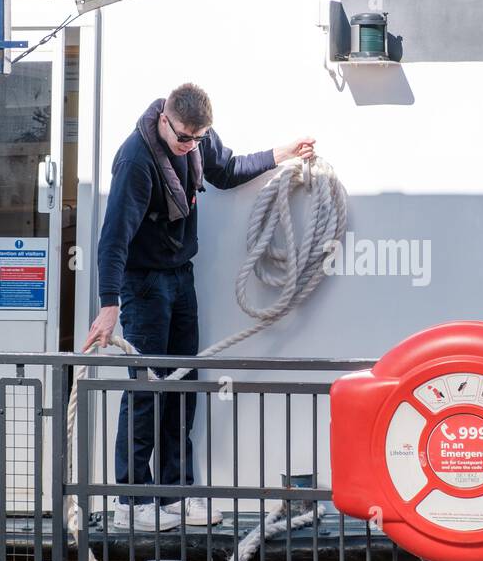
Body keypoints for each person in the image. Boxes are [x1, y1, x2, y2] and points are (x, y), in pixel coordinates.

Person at [82, 83, 316, 531]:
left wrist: (280, 154)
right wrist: (108, 305)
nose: (191, 145)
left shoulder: (198, 141)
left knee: (182, 386)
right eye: (185, 137)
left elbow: (225, 170)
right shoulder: (136, 160)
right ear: (165, 120)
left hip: (179, 277)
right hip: (143, 282)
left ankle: (174, 493)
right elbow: (113, 239)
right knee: (147, 391)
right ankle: (131, 500)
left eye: (198, 137)